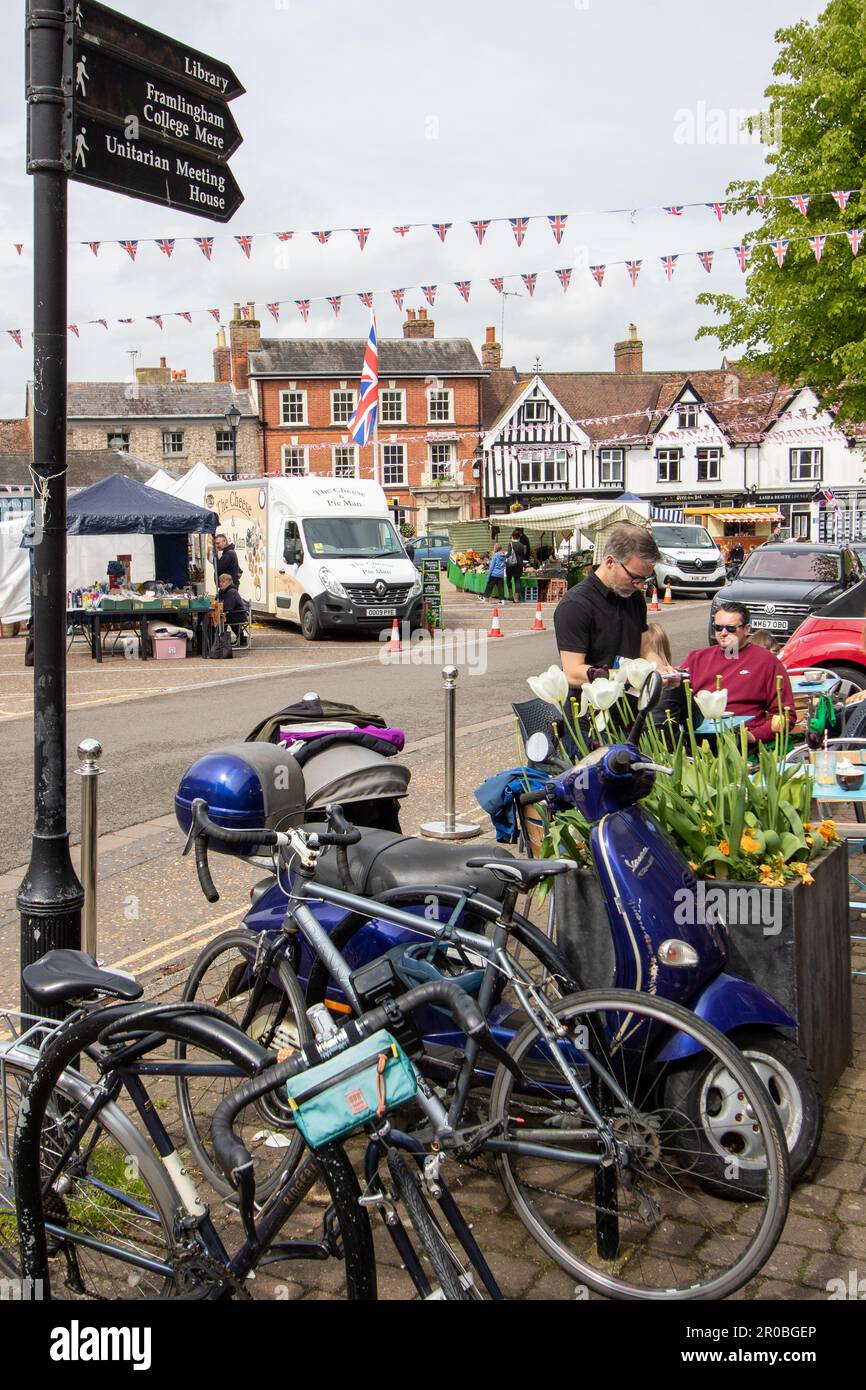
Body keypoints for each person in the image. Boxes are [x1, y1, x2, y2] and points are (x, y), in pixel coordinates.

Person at [553, 524, 677, 700]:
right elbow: (572, 672)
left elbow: (646, 648)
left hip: (631, 707)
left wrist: (659, 668)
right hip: (591, 712)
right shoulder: (575, 605)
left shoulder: (633, 597)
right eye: (635, 577)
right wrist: (625, 676)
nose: (640, 586)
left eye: (645, 579)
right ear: (610, 562)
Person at [681, 602, 794, 743]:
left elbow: (785, 715)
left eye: (730, 628)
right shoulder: (696, 658)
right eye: (718, 627)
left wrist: (754, 737)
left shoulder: (766, 661)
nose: (723, 633)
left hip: (742, 740)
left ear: (746, 629)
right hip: (697, 737)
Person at [217, 572, 249, 645]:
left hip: (237, 614)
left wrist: (219, 606)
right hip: (231, 613)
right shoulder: (221, 591)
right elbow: (216, 601)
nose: (220, 583)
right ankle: (222, 640)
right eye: (220, 581)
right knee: (218, 618)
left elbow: (228, 607)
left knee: (220, 619)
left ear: (229, 582)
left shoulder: (232, 592)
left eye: (223, 581)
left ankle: (221, 640)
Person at [504, 529, 525, 603]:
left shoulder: (511, 544)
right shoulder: (522, 545)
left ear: (512, 536)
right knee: (517, 580)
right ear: (519, 537)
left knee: (508, 579)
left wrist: (504, 555)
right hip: (519, 565)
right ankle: (516, 598)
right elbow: (523, 555)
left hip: (511, 565)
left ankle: (510, 595)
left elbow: (509, 554)